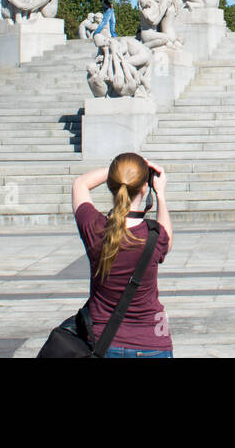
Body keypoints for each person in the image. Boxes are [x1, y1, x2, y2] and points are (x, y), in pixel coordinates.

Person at [71, 153, 174, 357]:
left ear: (112, 184)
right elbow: (168, 237)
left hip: (103, 343)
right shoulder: (154, 236)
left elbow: (80, 183)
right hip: (152, 344)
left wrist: (118, 170)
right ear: (145, 188)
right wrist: (160, 194)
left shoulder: (94, 227)